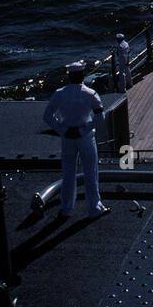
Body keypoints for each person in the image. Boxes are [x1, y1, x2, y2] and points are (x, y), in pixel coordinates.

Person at [42, 61, 109, 219]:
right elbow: (100, 117)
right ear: (82, 75)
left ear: (70, 76)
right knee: (90, 172)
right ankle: (95, 208)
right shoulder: (90, 94)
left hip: (67, 138)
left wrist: (63, 130)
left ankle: (66, 209)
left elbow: (47, 117)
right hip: (85, 137)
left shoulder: (59, 94)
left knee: (68, 173)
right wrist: (83, 130)